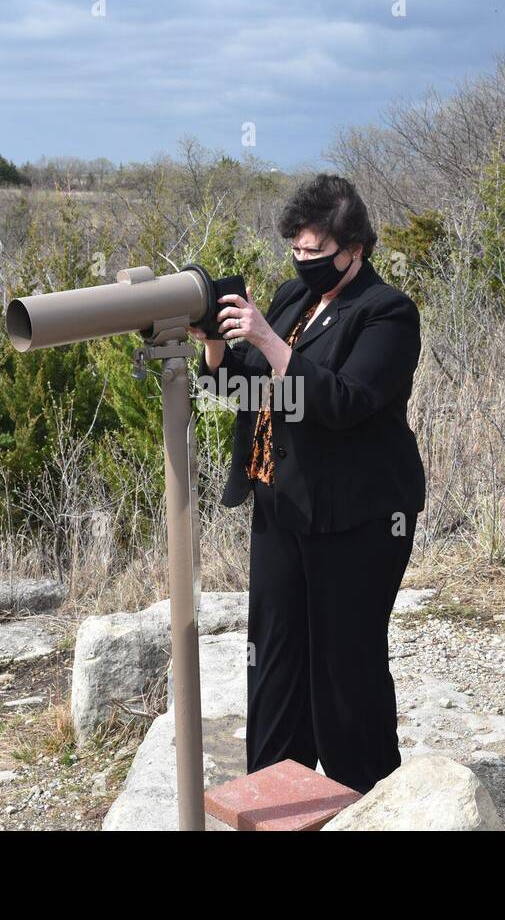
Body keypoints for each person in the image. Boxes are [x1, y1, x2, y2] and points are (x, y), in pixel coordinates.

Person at [190, 173, 425, 793]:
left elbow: (347, 402)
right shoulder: (291, 297)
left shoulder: (387, 314)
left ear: (357, 249)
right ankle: (274, 793)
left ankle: (366, 795)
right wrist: (216, 348)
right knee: (273, 661)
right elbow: (235, 390)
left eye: (317, 254)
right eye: (295, 250)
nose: (304, 263)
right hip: (282, 507)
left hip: (358, 517)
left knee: (345, 667)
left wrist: (267, 339)